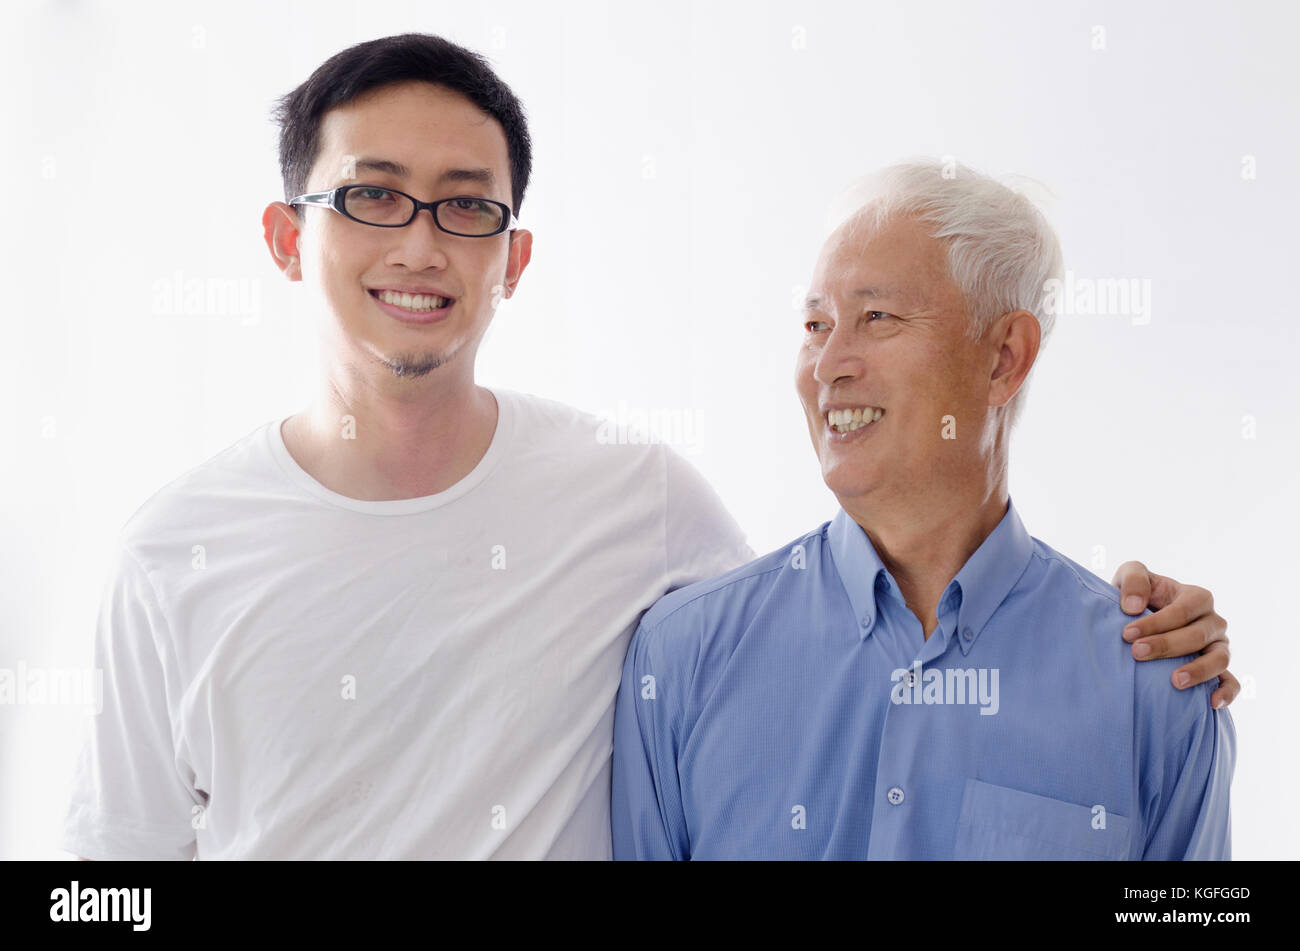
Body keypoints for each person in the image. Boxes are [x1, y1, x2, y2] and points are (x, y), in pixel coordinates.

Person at [59, 35, 1234, 861]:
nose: (419, 244)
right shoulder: (173, 553)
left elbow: (871, 615)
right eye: (372, 196)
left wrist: (1142, 639)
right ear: (285, 238)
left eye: (466, 205)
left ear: (513, 258)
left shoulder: (638, 505)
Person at [611, 161, 1235, 860]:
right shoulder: (680, 658)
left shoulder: (1157, 687)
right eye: (816, 324)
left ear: (1004, 358)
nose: (828, 365)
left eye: (876, 317)